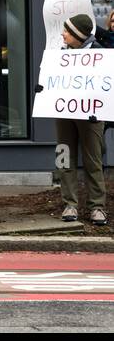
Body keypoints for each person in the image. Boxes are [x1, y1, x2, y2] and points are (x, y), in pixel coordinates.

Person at [53, 14, 107, 225]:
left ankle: (97, 206)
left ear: (78, 34)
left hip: (91, 116)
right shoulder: (60, 54)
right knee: (64, 157)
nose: (63, 34)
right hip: (64, 114)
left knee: (93, 160)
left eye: (67, 31)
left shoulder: (100, 54)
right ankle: (69, 204)